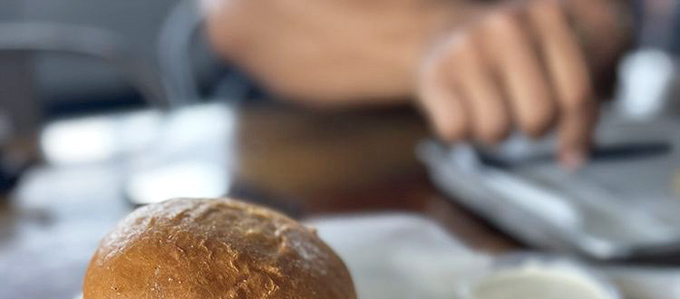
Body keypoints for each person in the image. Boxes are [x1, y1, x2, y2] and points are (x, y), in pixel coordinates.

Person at [202, 0, 633, 167]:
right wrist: (431, 44)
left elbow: (602, 18)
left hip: (535, 165)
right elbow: (236, 15)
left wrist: (591, 31)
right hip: (299, 156)